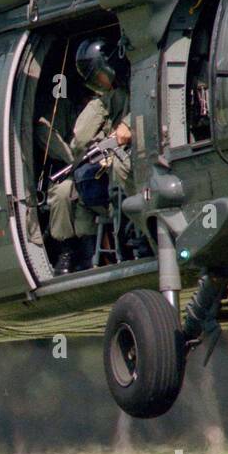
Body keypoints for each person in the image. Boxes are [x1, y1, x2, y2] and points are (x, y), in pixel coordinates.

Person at [47, 36, 132, 275]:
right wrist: (101, 103)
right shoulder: (102, 103)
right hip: (98, 164)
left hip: (125, 163)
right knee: (64, 191)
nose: (97, 82)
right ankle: (76, 252)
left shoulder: (130, 91)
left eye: (98, 75)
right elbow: (80, 139)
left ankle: (122, 245)